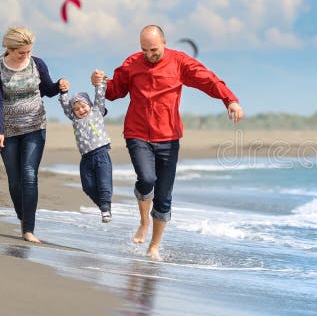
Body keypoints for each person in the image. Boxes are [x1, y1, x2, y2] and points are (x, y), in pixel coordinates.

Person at [92, 25, 243, 260]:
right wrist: (101, 83)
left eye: (153, 49)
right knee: (147, 178)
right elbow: (115, 91)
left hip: (169, 137)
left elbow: (209, 80)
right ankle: (143, 223)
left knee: (163, 195)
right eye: (144, 50)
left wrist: (230, 100)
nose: (149, 54)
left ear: (164, 42)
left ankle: (154, 245)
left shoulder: (180, 62)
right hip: (137, 133)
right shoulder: (132, 63)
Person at [0, 26, 68, 243]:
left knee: (29, 175)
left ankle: (28, 230)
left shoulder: (37, 64)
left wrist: (59, 85)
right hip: (9, 131)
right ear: (9, 48)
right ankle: (23, 218)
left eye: (29, 51)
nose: (26, 55)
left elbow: (47, 90)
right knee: (15, 181)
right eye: (21, 52)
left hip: (35, 126)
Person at [58, 80, 113, 222]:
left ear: (90, 105)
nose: (81, 110)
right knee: (88, 187)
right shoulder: (74, 119)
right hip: (86, 158)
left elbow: (100, 97)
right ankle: (104, 207)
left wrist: (99, 85)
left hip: (101, 154)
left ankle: (106, 207)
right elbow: (65, 106)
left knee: (104, 184)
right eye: (76, 109)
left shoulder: (96, 112)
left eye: (83, 106)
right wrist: (64, 93)